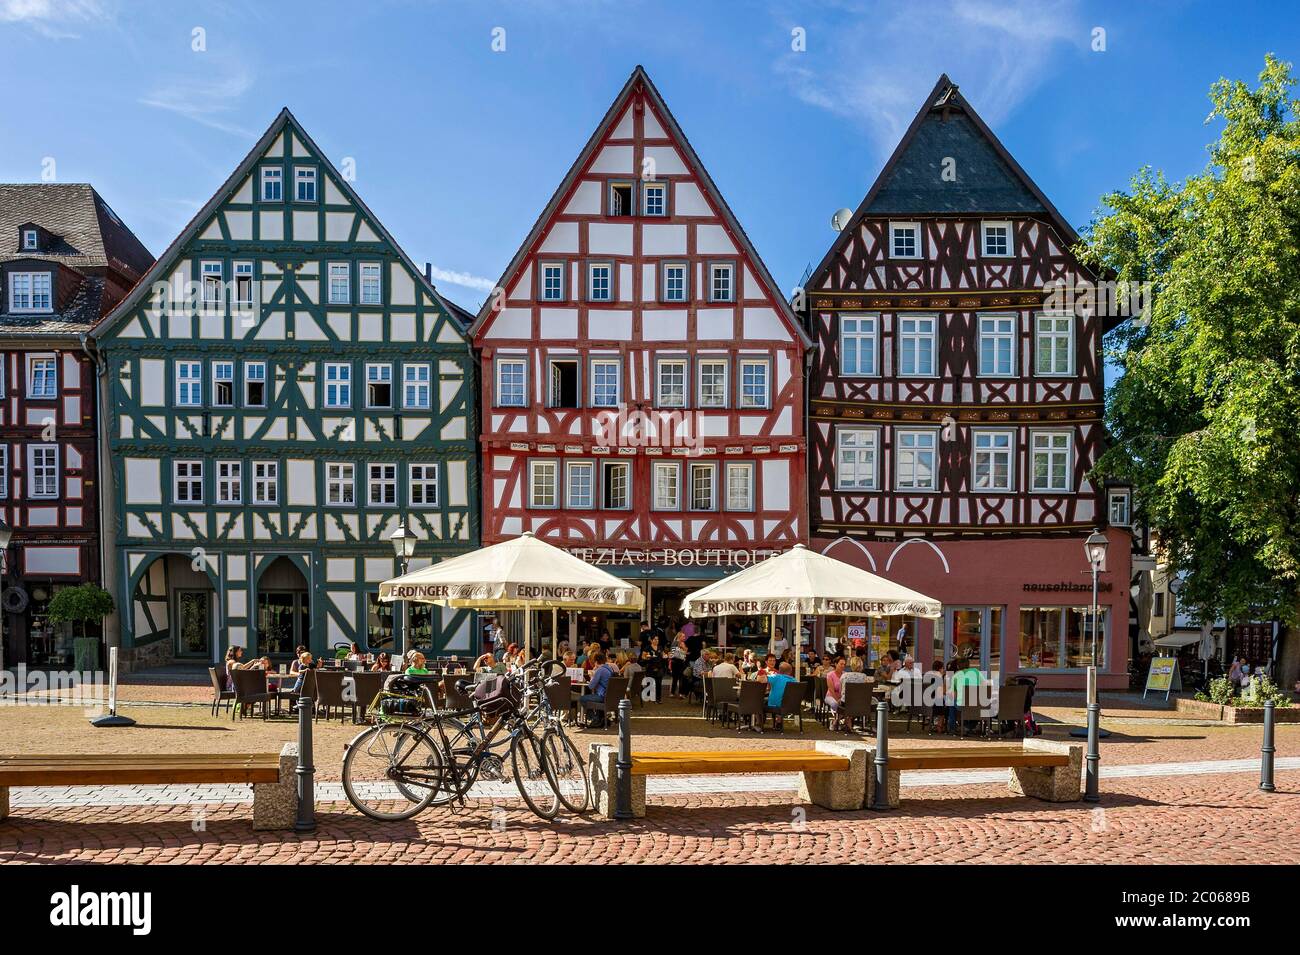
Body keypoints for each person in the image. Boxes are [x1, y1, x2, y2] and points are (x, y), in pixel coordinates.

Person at [579, 651, 617, 725]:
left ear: (596, 661)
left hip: (602, 696)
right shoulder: (609, 668)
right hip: (610, 696)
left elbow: (591, 686)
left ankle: (594, 718)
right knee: (589, 697)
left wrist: (592, 676)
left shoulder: (600, 670)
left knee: (582, 699)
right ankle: (600, 717)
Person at [947, 658, 982, 734]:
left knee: (951, 703)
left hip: (963, 705)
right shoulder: (976, 672)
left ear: (958, 667)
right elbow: (985, 685)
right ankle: (968, 726)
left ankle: (952, 728)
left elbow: (954, 695)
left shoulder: (955, 676)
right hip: (977, 704)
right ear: (969, 665)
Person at [764, 662, 797, 729]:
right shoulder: (794, 681)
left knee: (759, 703)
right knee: (781, 699)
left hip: (776, 705)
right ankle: (778, 721)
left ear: (779, 671)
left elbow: (764, 679)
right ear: (790, 671)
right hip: (790, 705)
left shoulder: (776, 677)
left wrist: (767, 673)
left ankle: (760, 723)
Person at [669, 633, 689, 698]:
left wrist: (683, 649)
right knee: (675, 678)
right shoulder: (675, 643)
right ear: (679, 637)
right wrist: (682, 651)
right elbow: (673, 653)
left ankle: (680, 693)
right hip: (675, 662)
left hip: (681, 663)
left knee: (681, 678)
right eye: (683, 636)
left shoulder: (682, 643)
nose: (684, 637)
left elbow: (685, 651)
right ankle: (672, 693)